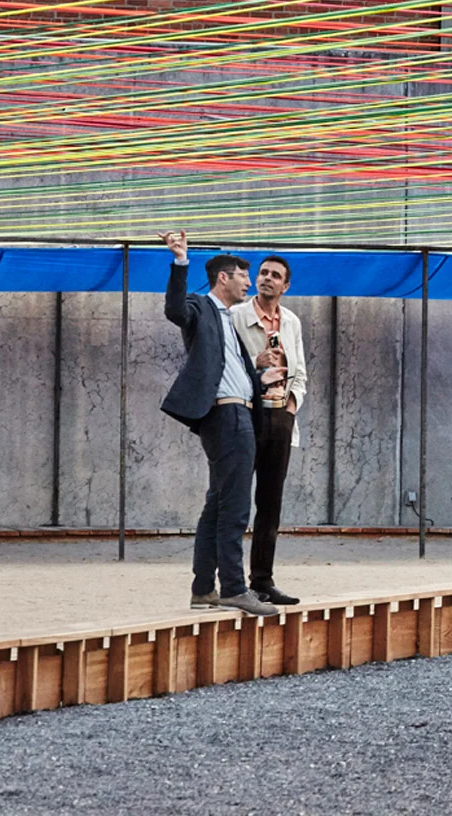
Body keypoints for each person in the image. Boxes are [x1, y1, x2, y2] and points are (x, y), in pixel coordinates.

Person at [158, 229, 285, 618]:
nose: (250, 282)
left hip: (237, 410)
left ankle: (203, 589)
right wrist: (181, 261)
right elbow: (174, 310)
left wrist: (256, 374)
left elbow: (225, 366)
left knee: (216, 506)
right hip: (227, 417)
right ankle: (233, 588)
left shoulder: (228, 320)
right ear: (224, 278)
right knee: (234, 507)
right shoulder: (199, 307)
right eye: (244, 276)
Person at [231, 254, 308, 607]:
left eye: (275, 275)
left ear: (285, 285)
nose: (266, 279)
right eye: (262, 273)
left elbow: (301, 372)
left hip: (280, 418)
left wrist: (290, 406)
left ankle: (262, 579)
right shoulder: (235, 317)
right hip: (244, 415)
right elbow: (225, 367)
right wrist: (254, 367)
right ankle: (228, 581)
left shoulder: (291, 322)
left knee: (270, 503)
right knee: (232, 499)